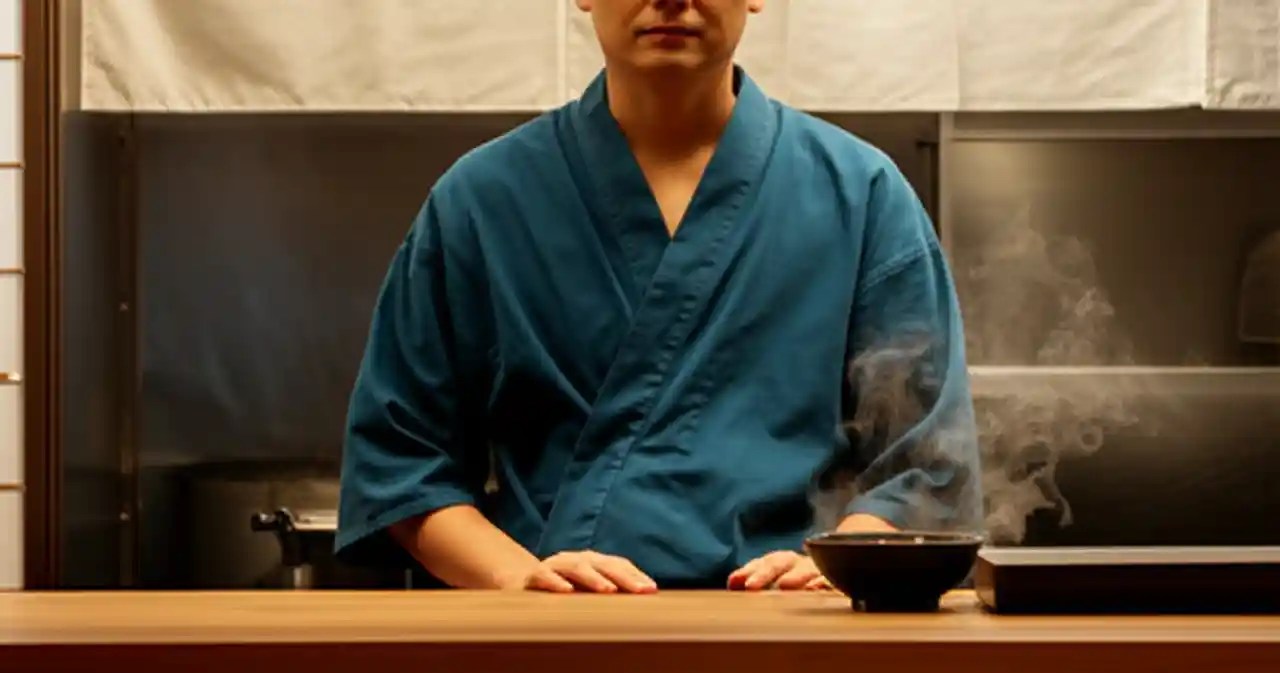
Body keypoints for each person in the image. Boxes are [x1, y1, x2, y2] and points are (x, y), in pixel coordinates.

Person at [335, 0, 982, 593]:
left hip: (786, 641)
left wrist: (841, 563)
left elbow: (925, 462)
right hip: (555, 644)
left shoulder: (860, 195)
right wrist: (522, 581)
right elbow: (402, 458)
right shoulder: (483, 200)